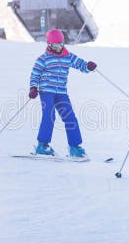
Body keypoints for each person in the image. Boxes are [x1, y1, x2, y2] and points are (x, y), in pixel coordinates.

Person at [28, 29, 96, 157]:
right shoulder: (43, 59)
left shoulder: (67, 56)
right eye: (55, 45)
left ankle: (75, 147)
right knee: (49, 115)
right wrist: (33, 88)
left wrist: (88, 66)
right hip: (46, 91)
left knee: (70, 117)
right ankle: (42, 145)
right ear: (49, 44)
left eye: (61, 44)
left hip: (61, 93)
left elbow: (79, 64)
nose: (59, 48)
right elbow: (35, 74)